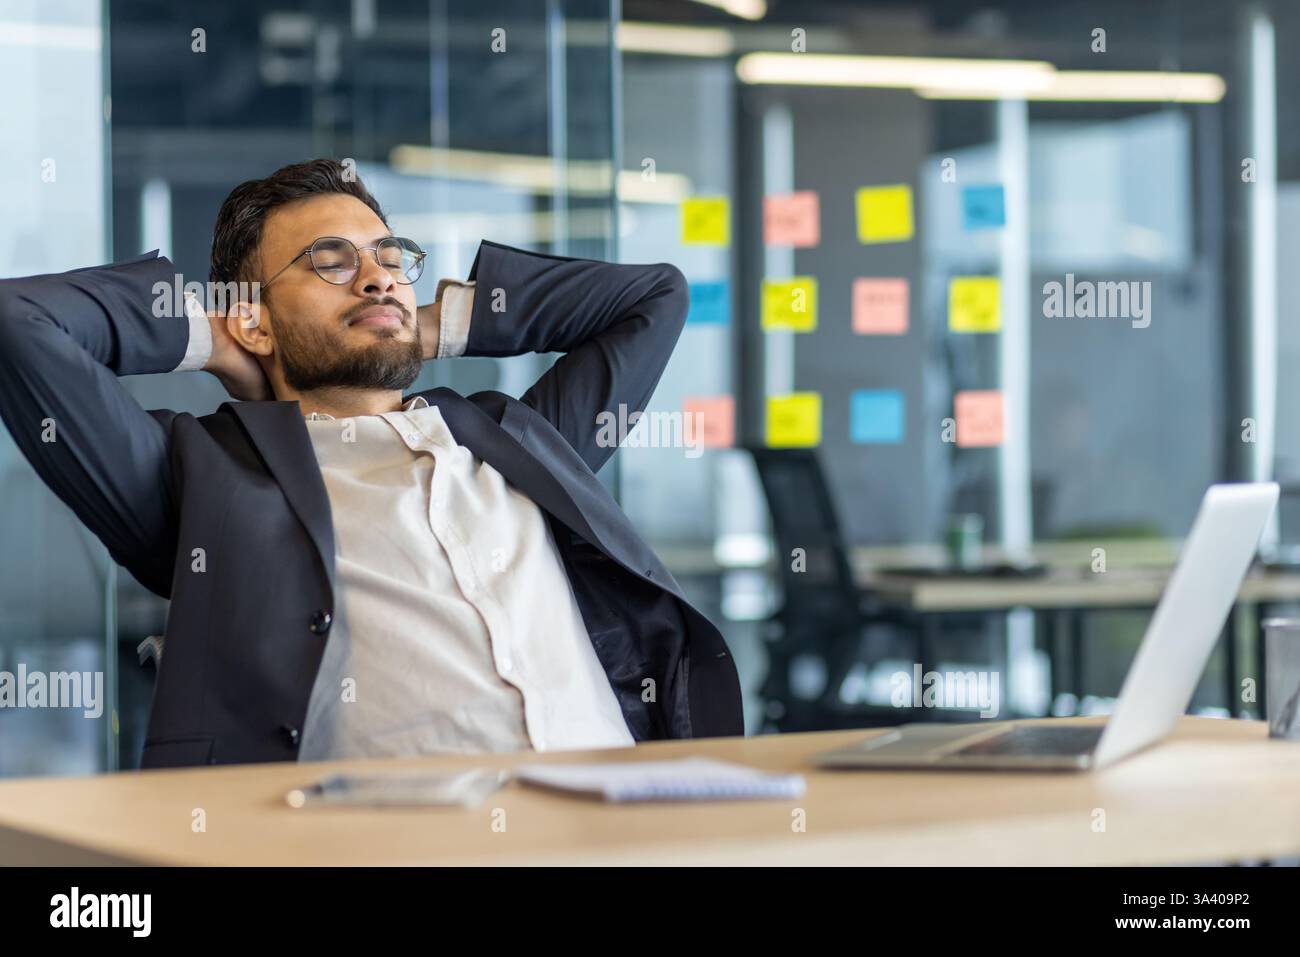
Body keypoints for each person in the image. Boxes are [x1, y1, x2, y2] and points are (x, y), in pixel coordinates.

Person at [0, 158, 743, 767]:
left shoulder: (515, 440)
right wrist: (211, 335)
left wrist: (431, 324)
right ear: (253, 316)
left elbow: (655, 297)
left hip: (624, 829)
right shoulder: (203, 478)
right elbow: (20, 323)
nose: (379, 277)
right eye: (330, 262)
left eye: (391, 258)